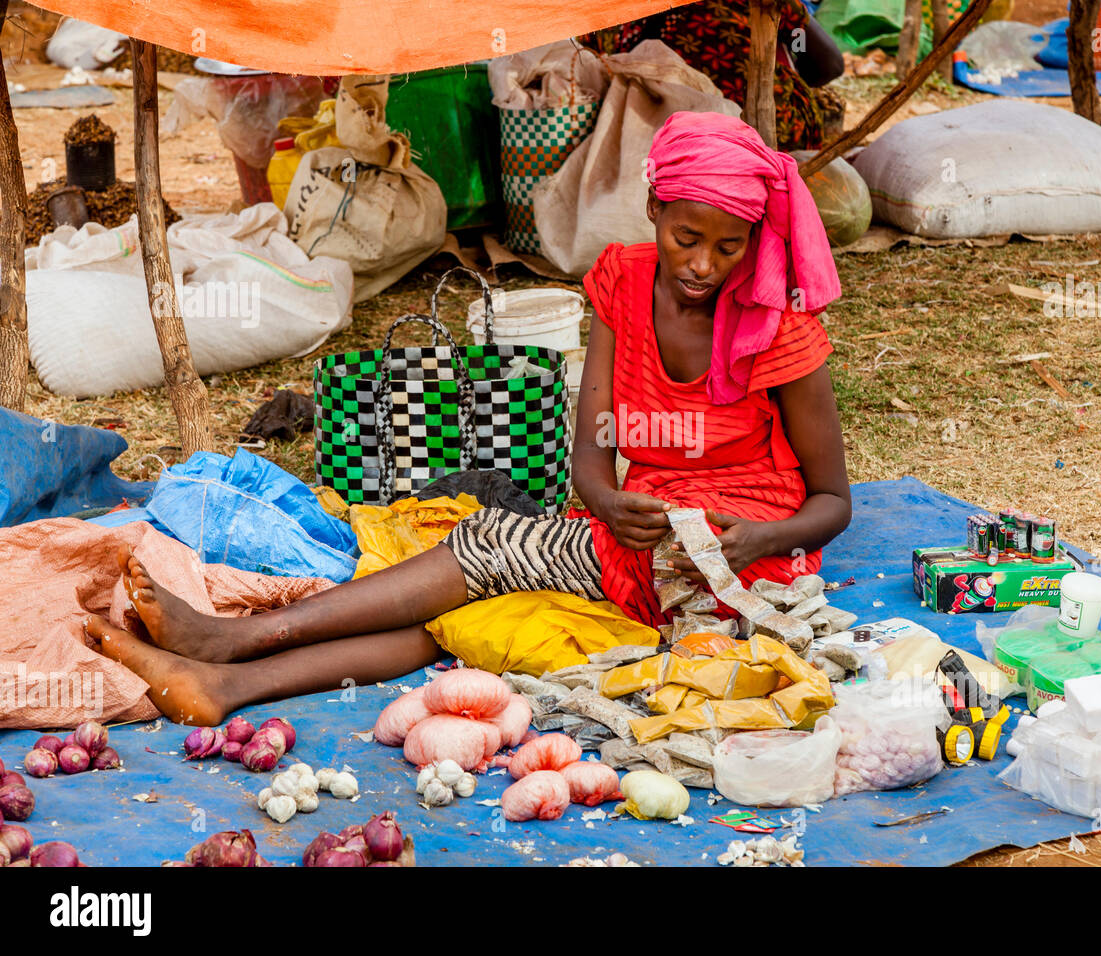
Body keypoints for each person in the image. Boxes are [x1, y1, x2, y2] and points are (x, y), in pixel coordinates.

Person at [85, 111, 853, 727]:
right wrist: (607, 502)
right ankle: (221, 687)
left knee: (485, 544)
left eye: (729, 247)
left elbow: (832, 505)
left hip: (740, 569)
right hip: (635, 543)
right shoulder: (625, 280)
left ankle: (235, 640)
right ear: (654, 209)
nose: (703, 265)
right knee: (468, 613)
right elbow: (591, 452)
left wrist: (760, 538)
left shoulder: (777, 326)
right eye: (687, 239)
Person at [584, 0, 846, 150]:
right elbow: (829, 65)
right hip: (774, 139)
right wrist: (792, 78)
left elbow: (589, 63)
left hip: (647, 140)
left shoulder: (604, 11)